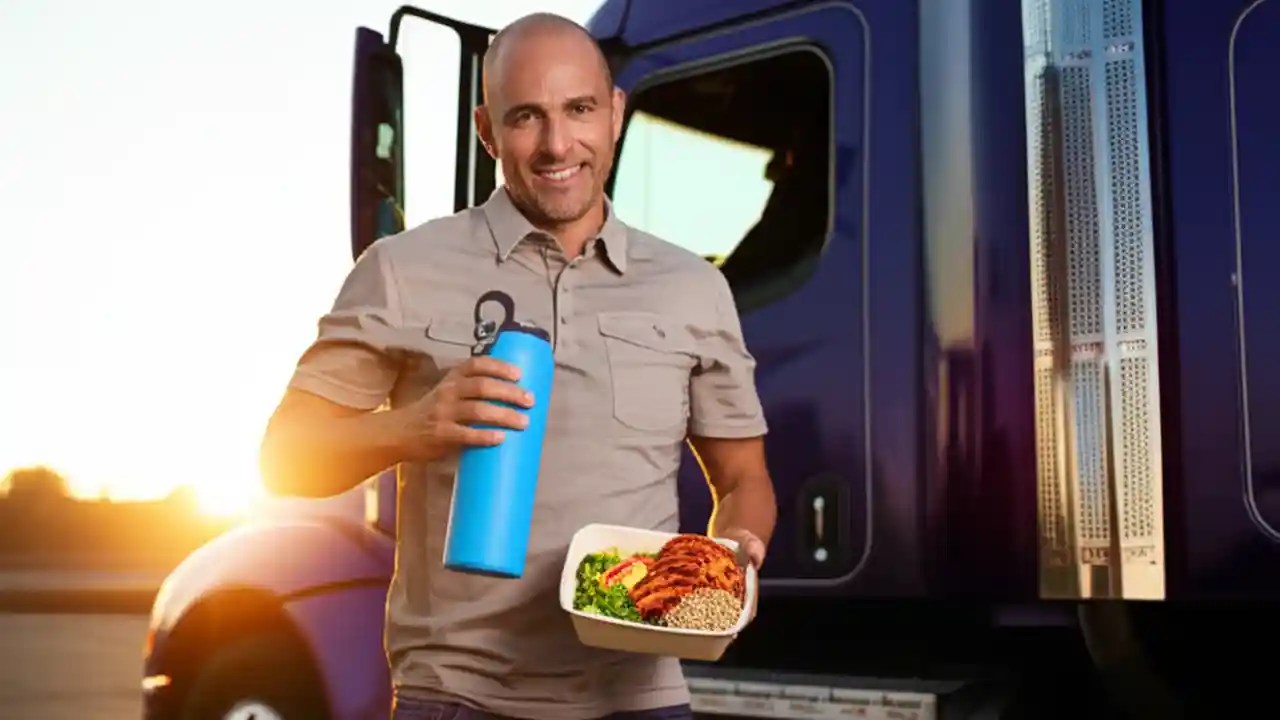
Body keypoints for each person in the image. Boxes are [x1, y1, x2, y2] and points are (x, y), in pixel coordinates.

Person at [259, 12, 776, 720]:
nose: (558, 144)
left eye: (579, 110)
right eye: (526, 116)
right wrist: (414, 427)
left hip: (636, 696)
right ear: (486, 131)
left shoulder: (693, 288)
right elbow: (284, 459)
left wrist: (736, 550)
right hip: (457, 695)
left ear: (615, 113)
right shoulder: (402, 270)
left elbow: (743, 479)